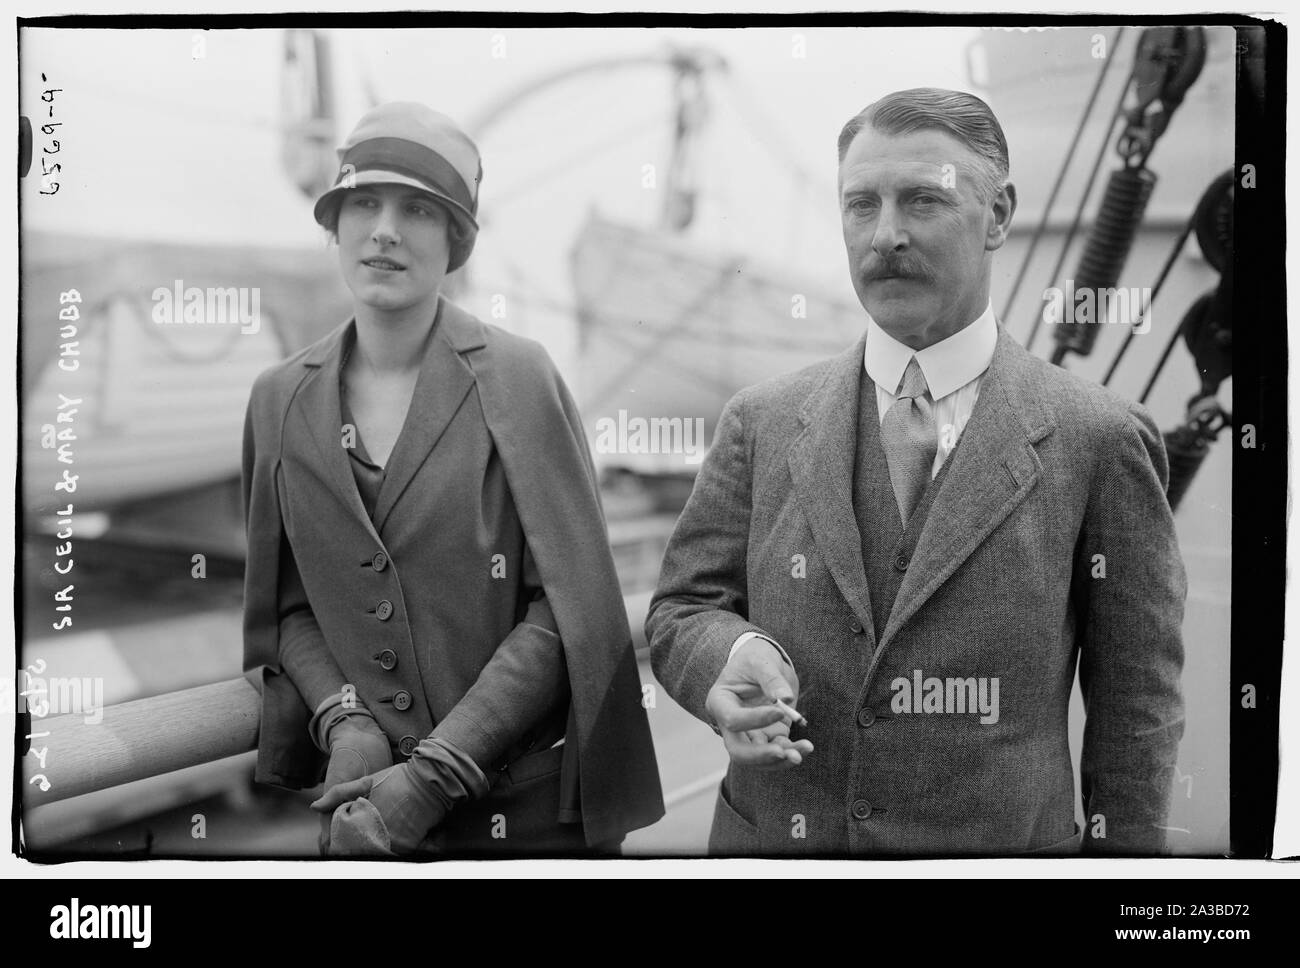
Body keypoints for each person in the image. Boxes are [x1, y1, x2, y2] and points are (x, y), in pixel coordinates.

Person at [646, 88, 1186, 856]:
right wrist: (732, 656)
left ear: (998, 215)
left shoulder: (1098, 438)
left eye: (923, 200)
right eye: (860, 204)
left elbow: (1138, 708)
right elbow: (681, 608)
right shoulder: (759, 422)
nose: (886, 235)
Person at [241, 101, 663, 856]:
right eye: (363, 202)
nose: (385, 230)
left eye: (419, 210)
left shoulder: (519, 378)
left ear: (456, 241)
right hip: (362, 817)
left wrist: (435, 775)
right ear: (333, 226)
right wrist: (348, 722)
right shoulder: (279, 399)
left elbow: (565, 603)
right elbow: (287, 606)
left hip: (524, 823)